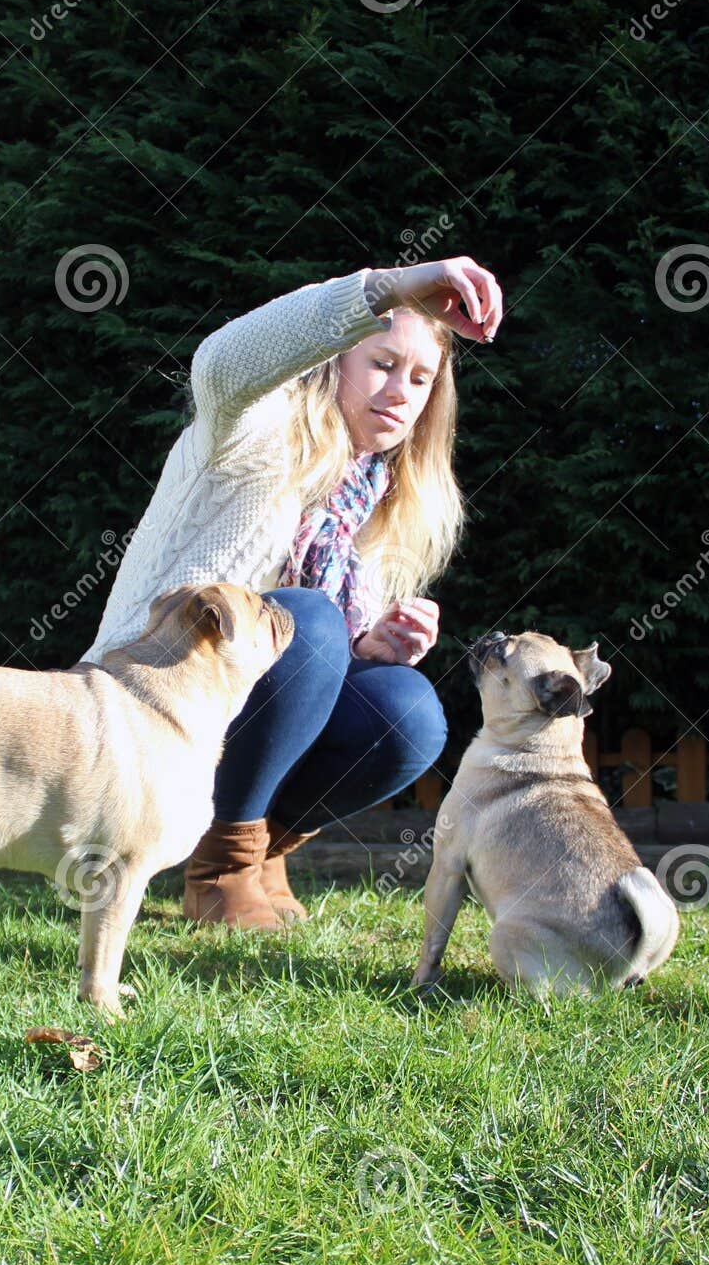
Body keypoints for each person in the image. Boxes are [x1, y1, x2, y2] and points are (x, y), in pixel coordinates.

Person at [80, 258, 504, 928]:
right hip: (146, 714)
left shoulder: (385, 501)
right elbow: (222, 359)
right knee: (302, 619)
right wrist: (388, 287)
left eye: (419, 378)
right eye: (382, 364)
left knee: (407, 713)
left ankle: (254, 854)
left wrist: (371, 646)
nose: (400, 391)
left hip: (233, 719)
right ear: (332, 360)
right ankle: (219, 871)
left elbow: (314, 670)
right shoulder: (250, 433)